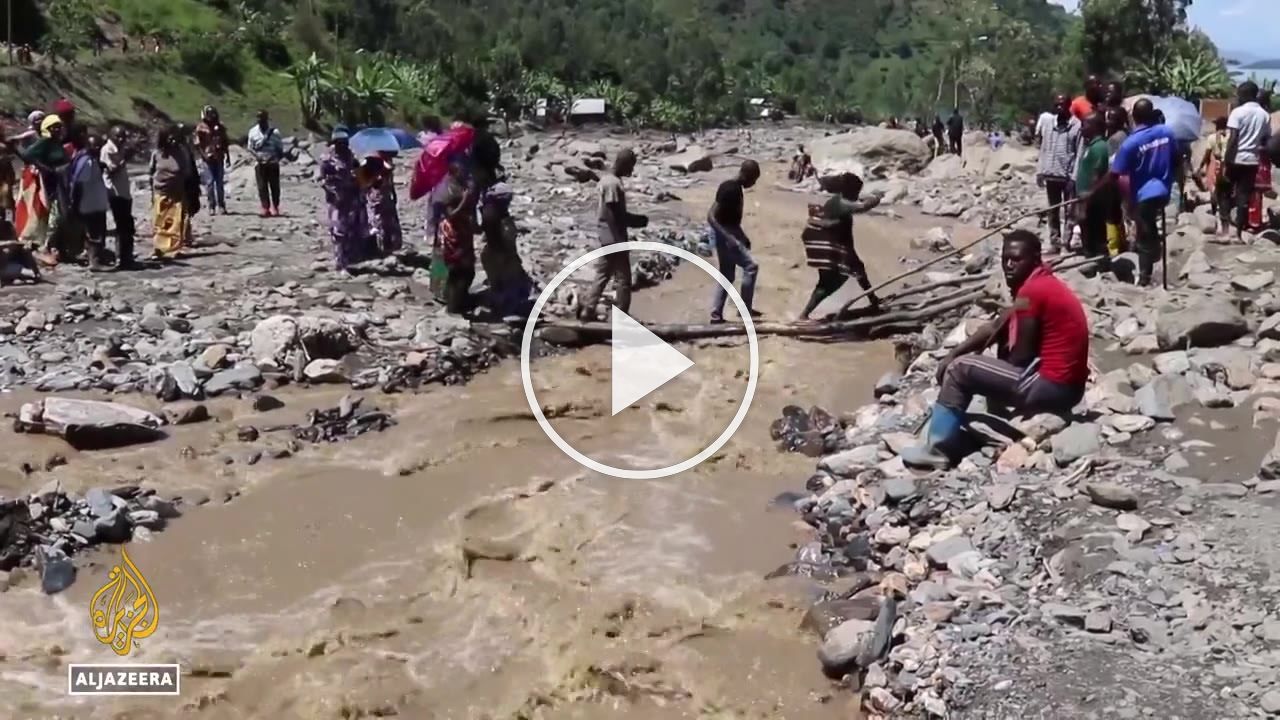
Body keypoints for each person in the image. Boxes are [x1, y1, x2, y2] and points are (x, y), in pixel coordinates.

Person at [901, 230, 1089, 469]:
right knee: (977, 359)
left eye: (1016, 259)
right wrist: (953, 353)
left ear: (1035, 258)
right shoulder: (1040, 283)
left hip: (1053, 385)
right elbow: (999, 324)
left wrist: (960, 363)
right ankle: (997, 418)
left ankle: (937, 450)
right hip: (1067, 388)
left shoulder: (1032, 292)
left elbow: (1021, 357)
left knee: (961, 370)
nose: (1009, 265)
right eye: (1005, 259)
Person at [1110, 98, 1176, 287]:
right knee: (1149, 229)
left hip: (1144, 194)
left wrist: (1099, 190)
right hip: (1163, 190)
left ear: (1134, 117)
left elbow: (1116, 172)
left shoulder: (1132, 142)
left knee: (1144, 234)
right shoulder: (1166, 132)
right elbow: (1176, 158)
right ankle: (1154, 257)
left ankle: (1145, 276)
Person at [798, 172, 882, 320]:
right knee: (833, 280)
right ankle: (804, 314)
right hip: (828, 245)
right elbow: (863, 206)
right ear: (851, 191)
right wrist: (877, 197)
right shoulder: (844, 204)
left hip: (828, 242)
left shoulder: (837, 200)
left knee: (856, 269)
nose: (858, 194)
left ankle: (873, 299)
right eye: (857, 191)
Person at [578, 148, 647, 321]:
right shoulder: (613, 184)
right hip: (615, 237)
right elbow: (616, 213)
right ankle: (622, 315)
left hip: (606, 236)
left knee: (603, 275)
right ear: (623, 164)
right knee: (623, 278)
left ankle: (588, 309)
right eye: (630, 166)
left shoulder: (606, 180)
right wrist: (637, 221)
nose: (631, 171)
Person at [708, 160, 762, 323]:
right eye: (753, 179)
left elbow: (732, 219)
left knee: (727, 274)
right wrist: (729, 237)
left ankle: (716, 314)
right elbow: (711, 216)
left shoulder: (734, 188)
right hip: (723, 233)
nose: (753, 184)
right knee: (751, 266)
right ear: (746, 174)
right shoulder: (729, 189)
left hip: (728, 231)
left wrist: (742, 236)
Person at [317, 127, 371, 273]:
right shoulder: (327, 159)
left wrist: (360, 183)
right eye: (340, 142)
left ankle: (350, 259)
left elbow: (361, 176)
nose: (343, 145)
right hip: (337, 200)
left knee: (352, 230)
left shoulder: (351, 157)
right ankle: (340, 262)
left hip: (352, 198)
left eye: (345, 142)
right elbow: (322, 179)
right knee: (338, 231)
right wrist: (332, 190)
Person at [19, 114, 70, 266]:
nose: (58, 129)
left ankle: (54, 246)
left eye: (59, 126)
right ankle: (43, 247)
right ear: (47, 128)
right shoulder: (45, 142)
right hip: (47, 184)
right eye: (54, 127)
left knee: (60, 215)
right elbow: (27, 155)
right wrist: (44, 168)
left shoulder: (57, 143)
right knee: (51, 216)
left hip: (59, 183)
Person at [1223, 81, 1271, 241]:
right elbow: (1265, 138)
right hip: (1252, 160)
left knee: (1223, 191)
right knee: (1243, 196)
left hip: (1235, 158)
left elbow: (1233, 138)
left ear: (1244, 94)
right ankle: (1237, 233)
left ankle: (1224, 230)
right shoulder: (1264, 115)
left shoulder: (1238, 112)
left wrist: (1225, 159)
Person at [1036, 94, 1082, 250]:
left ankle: (1066, 242)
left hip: (1067, 176)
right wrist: (1040, 171)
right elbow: (1044, 148)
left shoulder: (1076, 126)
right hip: (1051, 174)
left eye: (1062, 104)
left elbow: (1079, 153)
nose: (1059, 108)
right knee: (1052, 210)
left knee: (1069, 211)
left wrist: (1074, 177)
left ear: (1069, 105)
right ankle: (1054, 241)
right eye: (1056, 105)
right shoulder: (1049, 124)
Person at [438, 155, 478, 314]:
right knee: (459, 270)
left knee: (466, 269)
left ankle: (459, 300)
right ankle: (454, 305)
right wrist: (464, 200)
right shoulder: (447, 189)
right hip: (454, 232)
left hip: (464, 230)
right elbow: (451, 214)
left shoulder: (462, 185)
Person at [67, 127, 111, 271]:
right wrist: (75, 204)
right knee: (94, 233)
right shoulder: (87, 162)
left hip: (94, 202)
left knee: (96, 231)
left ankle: (95, 258)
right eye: (95, 146)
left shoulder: (91, 160)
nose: (98, 148)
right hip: (89, 203)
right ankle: (94, 262)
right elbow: (78, 183)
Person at [149, 125, 196, 259]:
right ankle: (159, 249)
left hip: (177, 192)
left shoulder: (182, 152)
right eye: (169, 137)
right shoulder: (157, 153)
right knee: (160, 221)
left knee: (176, 222)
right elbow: (151, 172)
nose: (172, 139)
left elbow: (188, 172)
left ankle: (173, 249)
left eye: (174, 137)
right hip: (160, 191)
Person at [1074, 113, 1112, 266]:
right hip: (1084, 196)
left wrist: (1089, 195)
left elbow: (1098, 174)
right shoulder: (1090, 145)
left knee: (1095, 231)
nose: (1082, 128)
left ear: (1095, 127)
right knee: (1087, 230)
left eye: (1085, 125)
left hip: (1093, 199)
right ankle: (1091, 260)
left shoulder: (1099, 147)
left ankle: (1100, 263)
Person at [100, 125, 136, 268]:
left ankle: (126, 256)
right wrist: (124, 159)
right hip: (114, 192)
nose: (121, 139)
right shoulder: (107, 150)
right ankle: (123, 259)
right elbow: (111, 170)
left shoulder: (120, 149)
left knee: (127, 226)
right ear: (110, 136)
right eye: (118, 136)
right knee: (123, 227)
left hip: (123, 191)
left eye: (123, 137)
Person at [363, 154, 402, 257]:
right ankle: (382, 248)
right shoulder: (374, 162)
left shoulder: (382, 162)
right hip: (378, 198)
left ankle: (387, 248)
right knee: (380, 224)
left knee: (385, 224)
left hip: (382, 198)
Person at [1248, 90, 1275, 232]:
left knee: (1246, 190)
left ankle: (1245, 220)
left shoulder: (1242, 111)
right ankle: (1254, 221)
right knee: (1256, 191)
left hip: (1243, 155)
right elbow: (1266, 137)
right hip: (1258, 156)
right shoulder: (1264, 115)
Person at [247, 110, 284, 217]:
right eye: (258, 118)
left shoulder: (275, 133)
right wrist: (258, 157)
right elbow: (250, 148)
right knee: (262, 186)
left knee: (275, 186)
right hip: (259, 163)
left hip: (272, 163)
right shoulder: (253, 132)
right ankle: (265, 207)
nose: (260, 120)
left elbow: (280, 149)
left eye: (262, 118)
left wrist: (273, 157)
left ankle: (275, 206)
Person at [195, 105, 230, 215]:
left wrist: (227, 156)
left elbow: (225, 142)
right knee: (209, 183)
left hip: (219, 157)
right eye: (209, 114)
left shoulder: (220, 127)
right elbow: (197, 144)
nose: (211, 117)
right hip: (207, 159)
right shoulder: (201, 128)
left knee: (219, 183)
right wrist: (203, 155)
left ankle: (221, 205)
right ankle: (211, 205)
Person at [1199, 117, 1232, 234]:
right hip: (1229, 166)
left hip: (1216, 166)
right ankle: (1227, 214)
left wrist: (1201, 166)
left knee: (1214, 189)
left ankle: (1215, 212)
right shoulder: (1231, 137)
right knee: (1227, 191)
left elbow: (1207, 154)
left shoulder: (1212, 138)